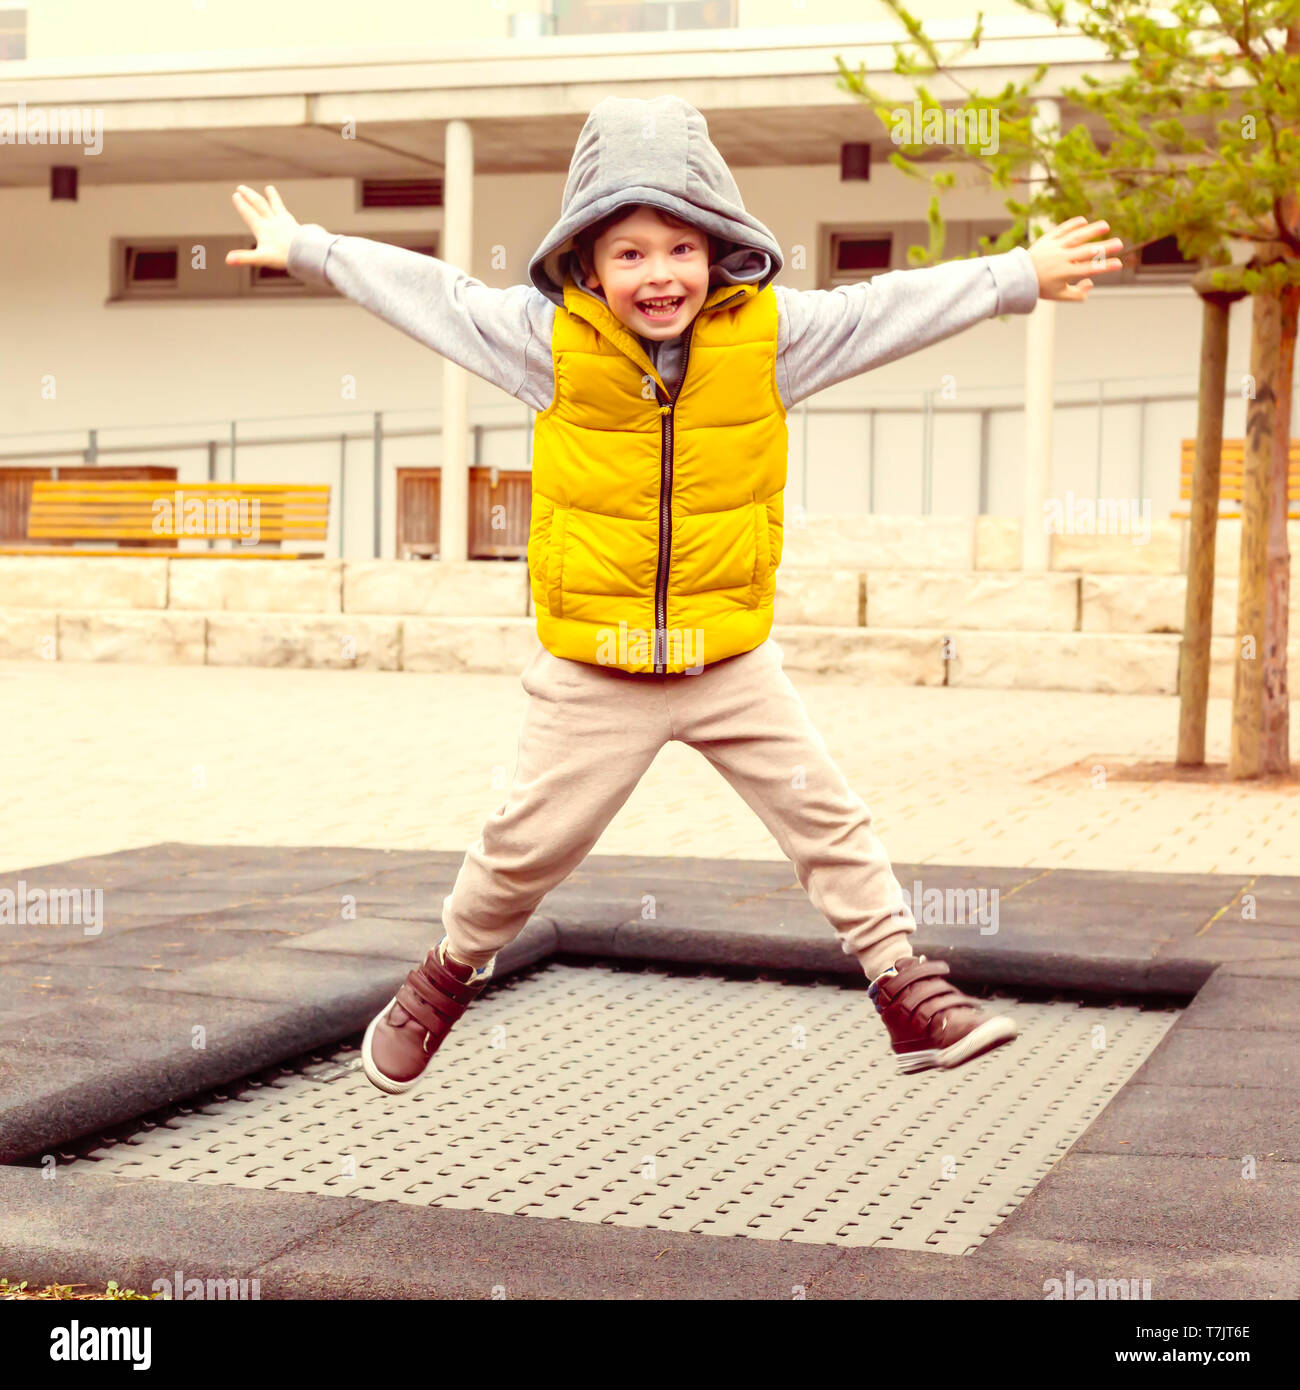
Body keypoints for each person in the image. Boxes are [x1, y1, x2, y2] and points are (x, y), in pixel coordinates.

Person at [227, 95, 1122, 1095]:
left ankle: (905, 990)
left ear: (721, 250)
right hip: (593, 667)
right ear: (585, 264)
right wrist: (307, 247)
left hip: (729, 657)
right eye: (630, 254)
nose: (660, 276)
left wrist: (1013, 277)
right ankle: (444, 974)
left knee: (826, 815)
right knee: (523, 848)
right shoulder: (543, 342)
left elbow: (885, 308)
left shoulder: (775, 336)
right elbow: (429, 293)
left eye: (681, 249)